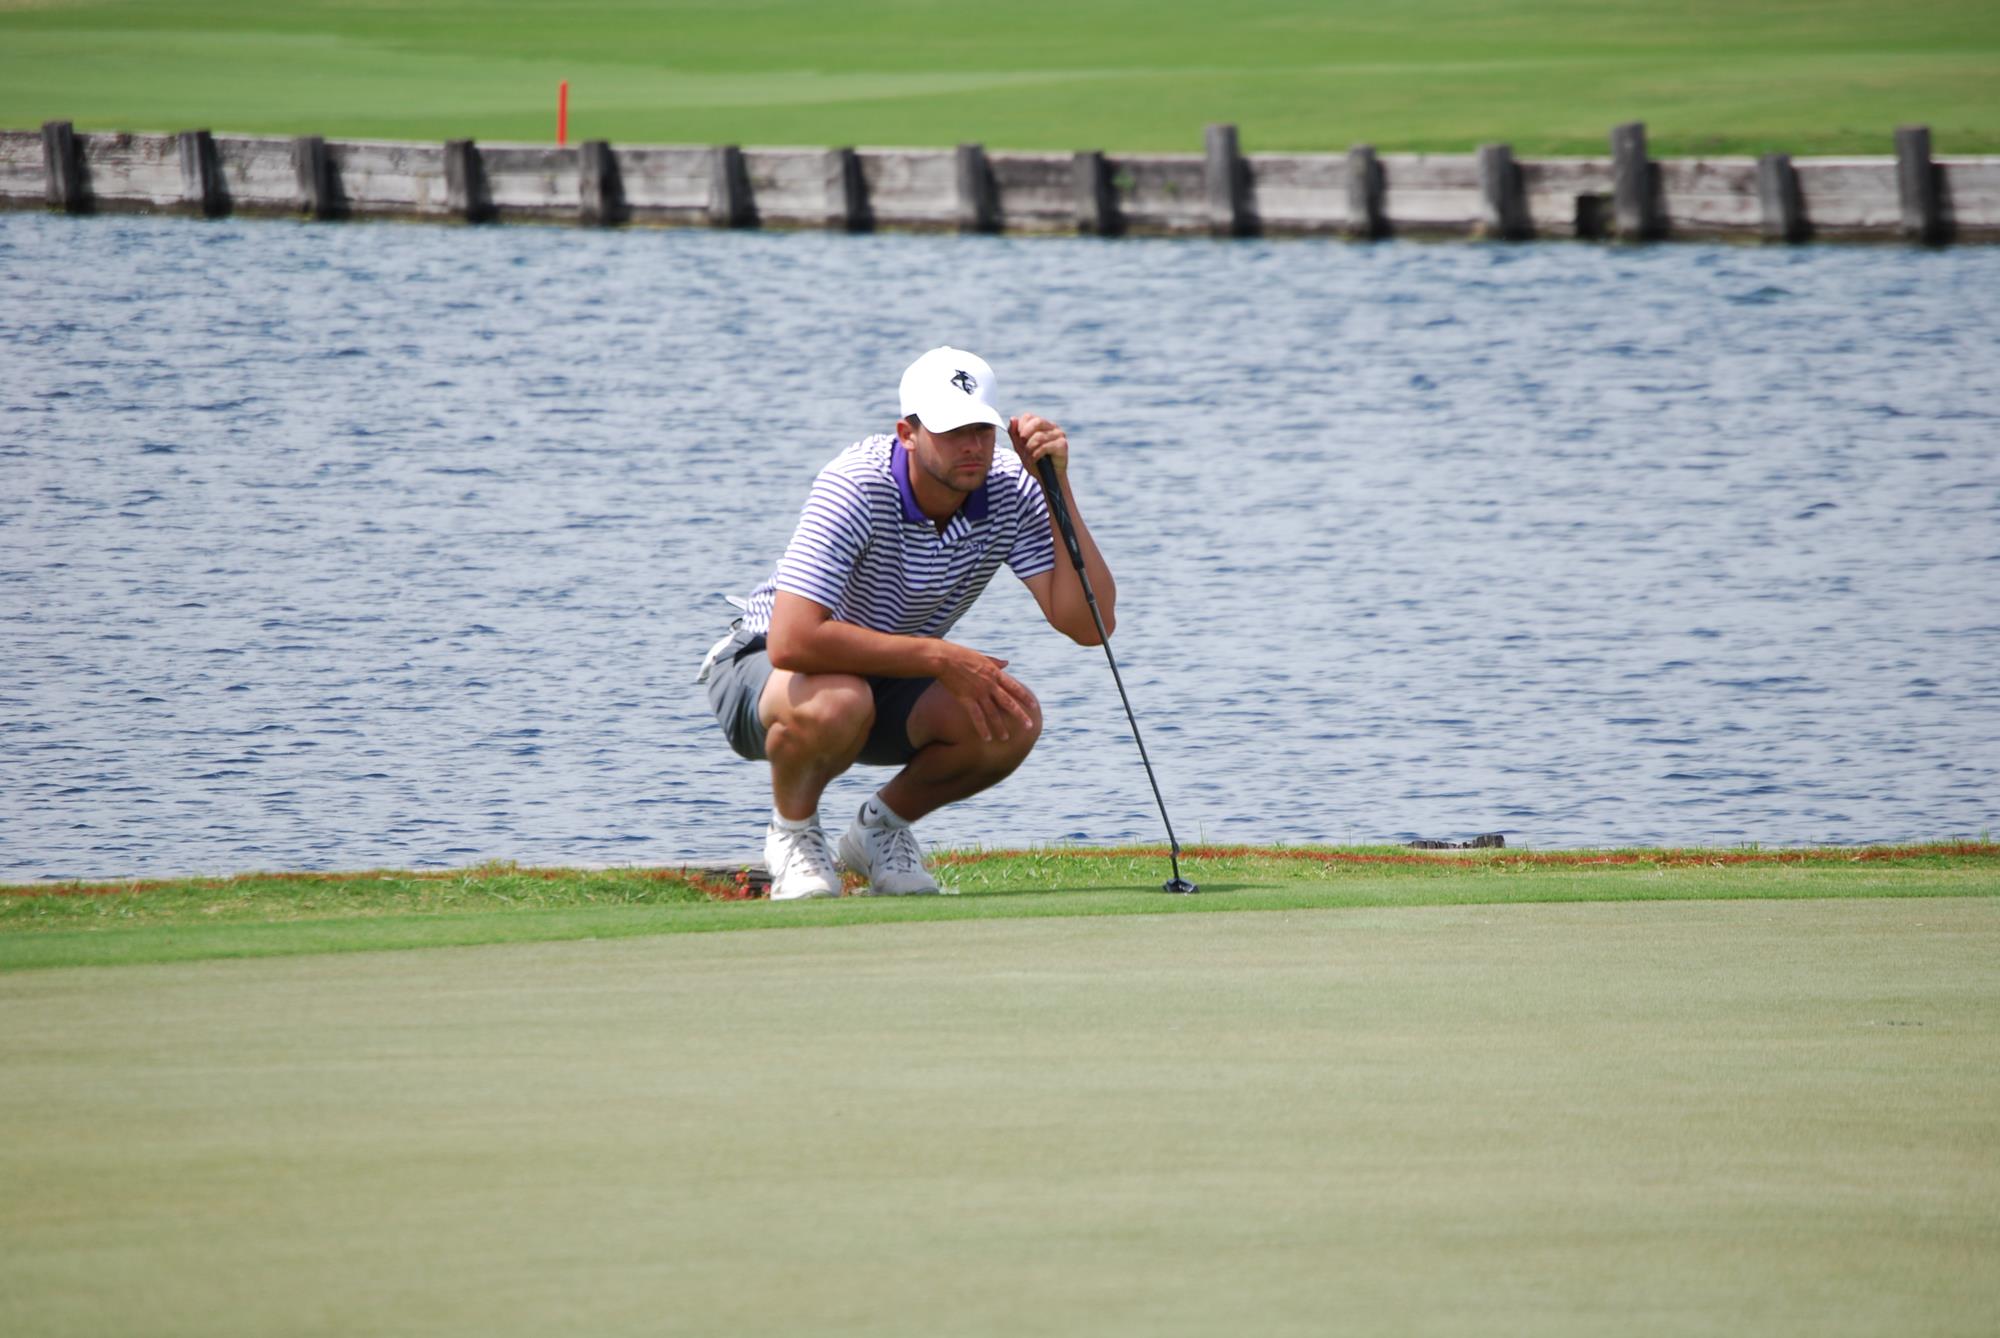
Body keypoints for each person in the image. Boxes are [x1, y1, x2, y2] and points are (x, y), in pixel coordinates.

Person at [698, 346, 1118, 899]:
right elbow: (793, 640)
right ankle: (793, 834)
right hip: (763, 668)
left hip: (881, 678)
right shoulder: (856, 483)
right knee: (840, 700)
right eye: (951, 430)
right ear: (908, 433)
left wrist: (1056, 487)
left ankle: (878, 833)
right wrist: (939, 658)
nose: (972, 446)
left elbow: (1089, 624)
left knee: (1009, 716)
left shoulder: (1010, 487)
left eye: (982, 429)